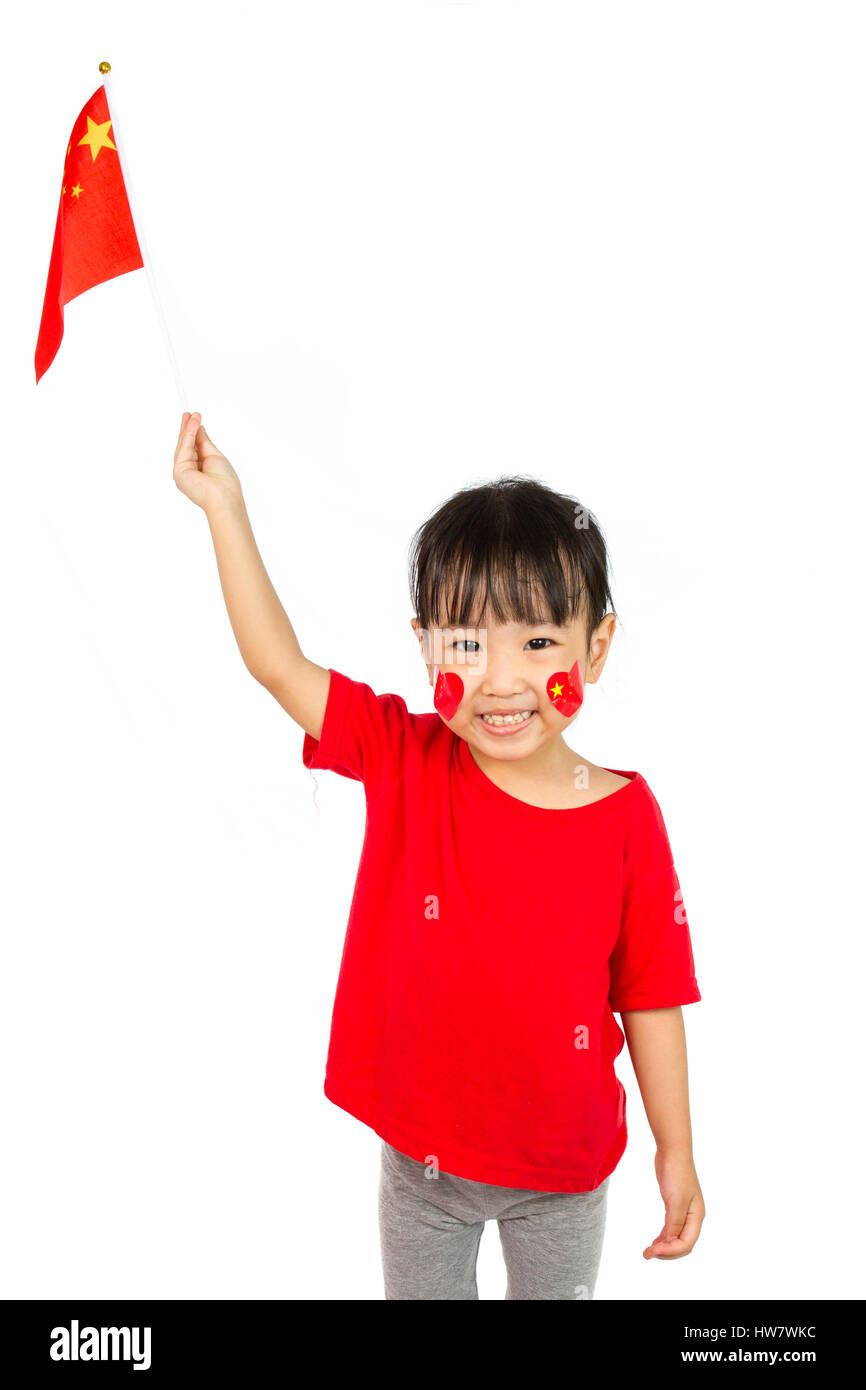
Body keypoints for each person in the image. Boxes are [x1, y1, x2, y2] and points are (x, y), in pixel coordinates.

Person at [172, 410, 705, 1300]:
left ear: (596, 648)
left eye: (538, 642)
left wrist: (676, 1148)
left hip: (564, 1174)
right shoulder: (401, 753)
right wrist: (225, 508)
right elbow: (278, 666)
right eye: (466, 643)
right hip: (422, 1170)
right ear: (424, 645)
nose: (500, 680)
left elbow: (651, 996)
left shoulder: (625, 816)